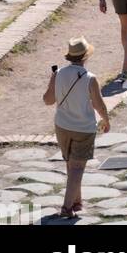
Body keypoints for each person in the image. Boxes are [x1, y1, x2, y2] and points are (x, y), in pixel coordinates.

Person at [43, 38, 110, 220]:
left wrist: (53, 81)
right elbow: (99, 105)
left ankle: (77, 201)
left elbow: (48, 100)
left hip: (62, 126)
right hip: (83, 128)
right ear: (85, 57)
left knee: (71, 165)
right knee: (78, 167)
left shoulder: (58, 74)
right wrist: (106, 120)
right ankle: (66, 207)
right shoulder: (90, 78)